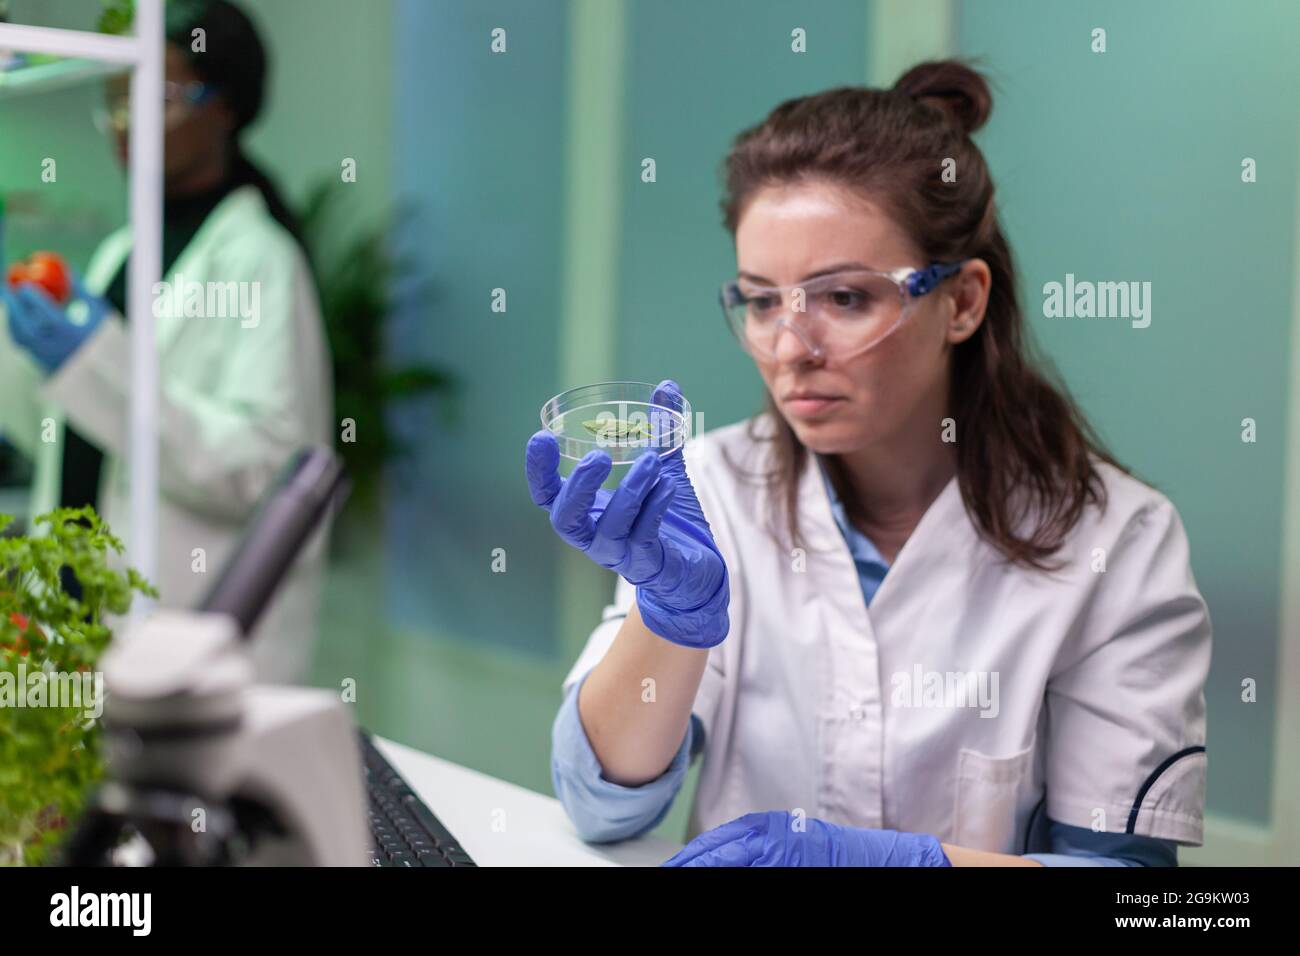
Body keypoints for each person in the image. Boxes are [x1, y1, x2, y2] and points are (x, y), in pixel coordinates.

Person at [526, 61, 1210, 866]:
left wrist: (899, 866)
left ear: (961, 301)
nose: (790, 349)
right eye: (761, 300)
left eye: (845, 297)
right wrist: (666, 622)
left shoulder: (1118, 542)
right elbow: (598, 804)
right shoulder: (710, 488)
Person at [0, 0, 331, 683]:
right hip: (76, 625)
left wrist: (93, 361)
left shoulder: (259, 260)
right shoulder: (122, 252)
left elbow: (264, 472)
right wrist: (25, 347)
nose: (126, 125)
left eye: (158, 97)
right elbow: (57, 432)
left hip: (186, 633)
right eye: (113, 105)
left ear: (225, 108)